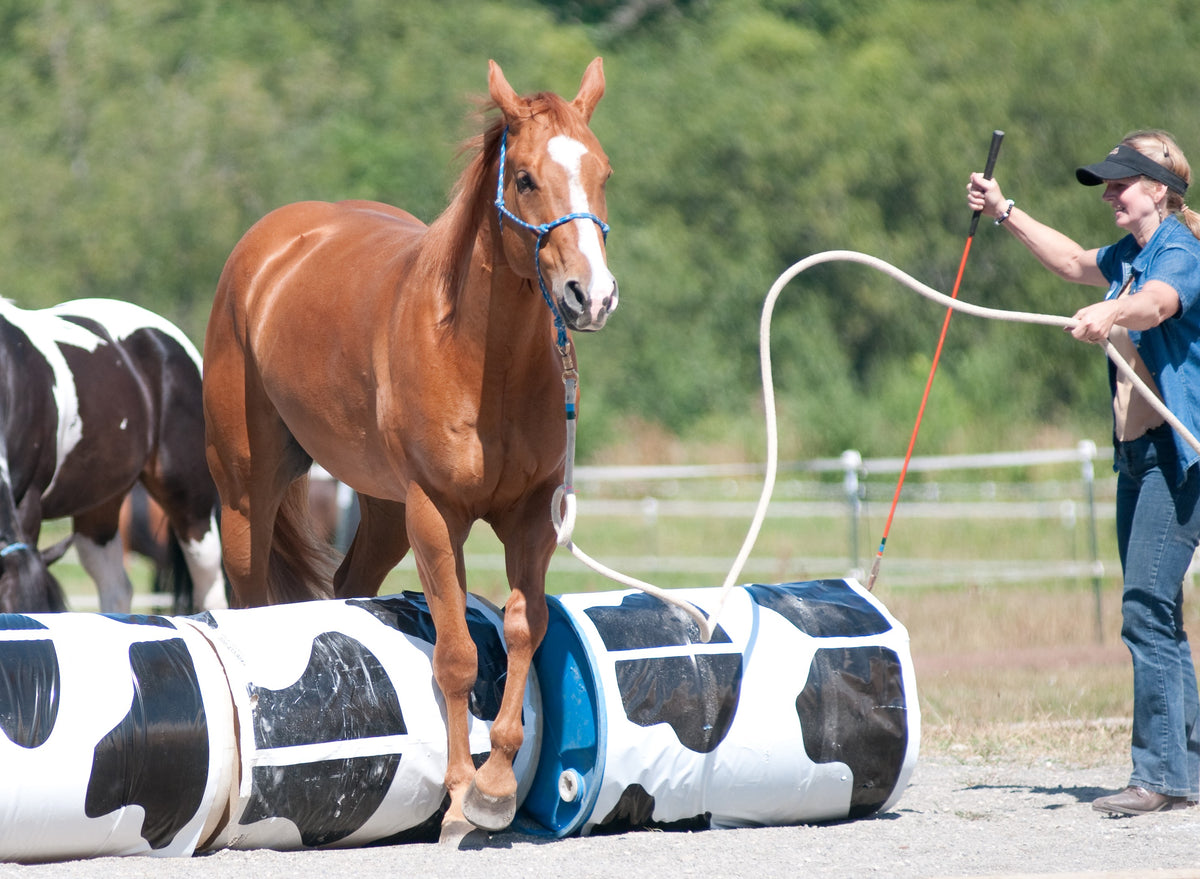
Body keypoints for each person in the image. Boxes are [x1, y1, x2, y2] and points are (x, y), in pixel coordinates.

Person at [967, 130, 1200, 817]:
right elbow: (1071, 261)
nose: (1108, 194)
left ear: (1158, 189)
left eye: (1120, 183)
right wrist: (1004, 210)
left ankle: (1158, 776)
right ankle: (1184, 764)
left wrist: (1111, 310)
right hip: (1136, 461)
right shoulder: (1133, 251)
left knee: (1144, 608)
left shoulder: (1180, 252)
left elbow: (1155, 304)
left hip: (1175, 459)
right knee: (1159, 609)